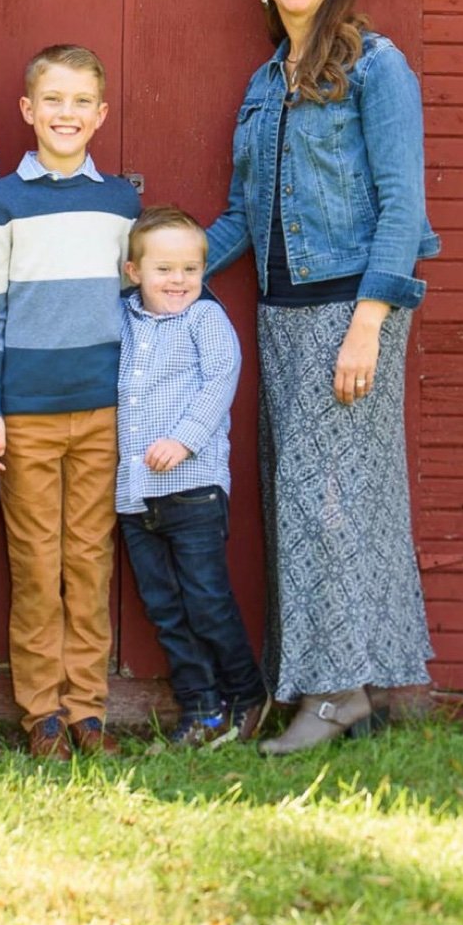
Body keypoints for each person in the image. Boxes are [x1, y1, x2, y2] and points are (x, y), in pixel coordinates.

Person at [204, 0, 441, 755]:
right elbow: (242, 216)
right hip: (282, 316)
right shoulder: (265, 85)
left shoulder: (378, 68)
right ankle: (334, 686)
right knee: (301, 504)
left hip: (350, 310)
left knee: (332, 506)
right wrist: (166, 262)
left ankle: (339, 692)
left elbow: (403, 207)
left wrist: (369, 321)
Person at [0, 44, 143, 757]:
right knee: (37, 565)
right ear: (28, 110)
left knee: (90, 561)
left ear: (100, 114)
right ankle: (41, 713)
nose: (66, 114)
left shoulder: (120, 202)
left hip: (102, 409)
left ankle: (88, 710)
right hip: (27, 415)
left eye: (81, 102)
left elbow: (135, 303)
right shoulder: (3, 201)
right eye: (53, 101)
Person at [113, 206, 267, 747]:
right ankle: (201, 709)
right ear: (134, 272)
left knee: (206, 597)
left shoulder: (205, 319)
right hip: (133, 498)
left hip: (193, 489)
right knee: (165, 609)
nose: (178, 281)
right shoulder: (121, 319)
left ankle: (248, 694)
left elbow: (220, 379)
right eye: (164, 269)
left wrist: (183, 439)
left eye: (189, 270)